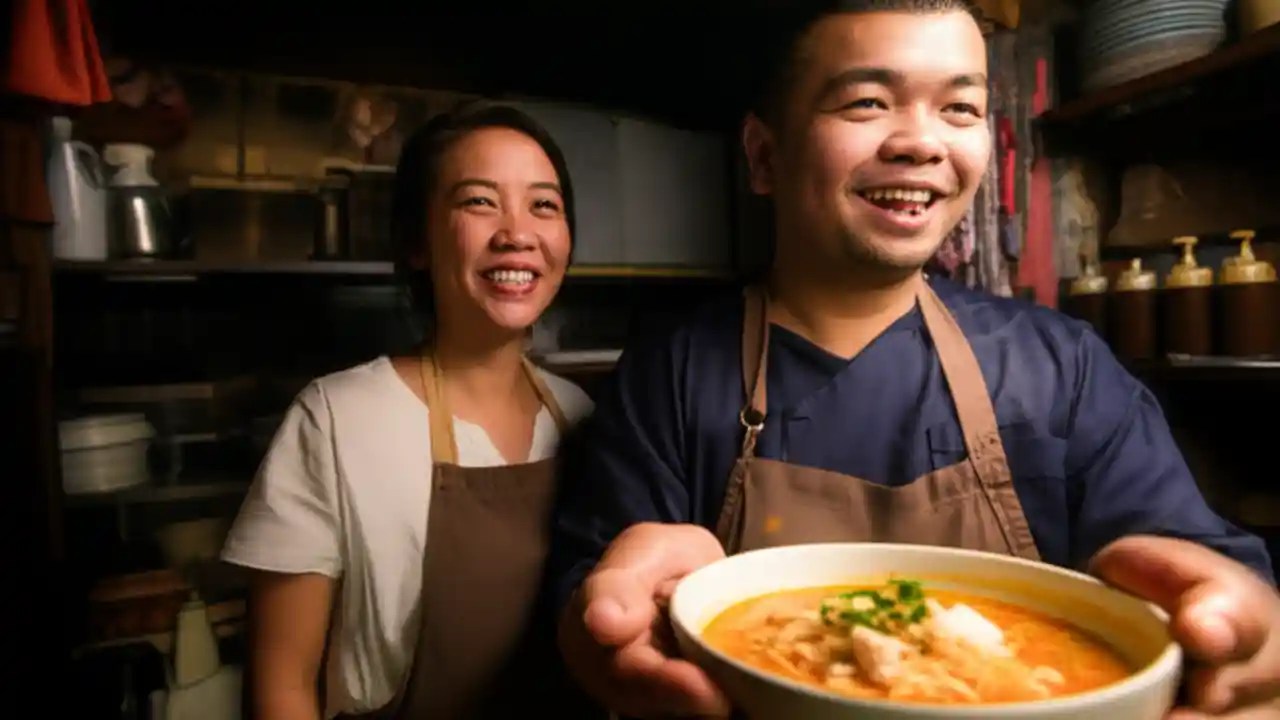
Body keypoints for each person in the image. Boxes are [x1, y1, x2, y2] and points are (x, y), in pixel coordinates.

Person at [550, 2, 1280, 718]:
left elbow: (1197, 575)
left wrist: (1240, 630)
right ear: (766, 156)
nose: (922, 142)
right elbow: (591, 595)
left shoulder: (1062, 368)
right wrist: (600, 629)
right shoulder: (671, 372)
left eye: (960, 109)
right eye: (869, 102)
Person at [221, 102, 595, 719]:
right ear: (417, 242)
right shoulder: (336, 420)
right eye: (479, 201)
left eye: (544, 205)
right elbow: (282, 687)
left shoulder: (580, 417)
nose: (518, 232)